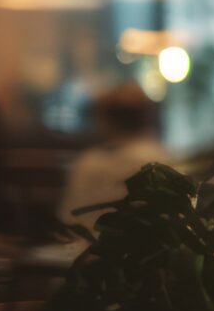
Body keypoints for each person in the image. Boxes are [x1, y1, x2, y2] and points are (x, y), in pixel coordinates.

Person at [58, 82, 171, 230]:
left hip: (86, 249)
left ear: (105, 120)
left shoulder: (87, 162)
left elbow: (69, 218)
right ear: (146, 116)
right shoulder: (163, 161)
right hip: (149, 250)